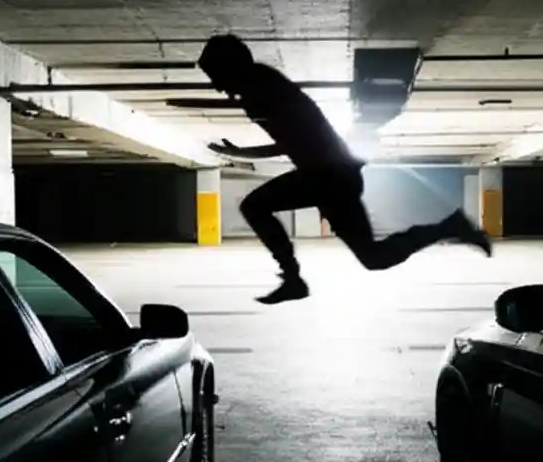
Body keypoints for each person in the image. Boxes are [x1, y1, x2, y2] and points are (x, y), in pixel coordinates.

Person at [197, 34, 492, 304]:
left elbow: (294, 140)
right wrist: (240, 152)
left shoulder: (261, 90)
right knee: (373, 258)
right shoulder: (261, 85)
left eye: (216, 77)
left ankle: (292, 278)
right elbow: (296, 140)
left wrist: (241, 152)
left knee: (255, 206)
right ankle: (450, 226)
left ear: (231, 67)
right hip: (331, 176)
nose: (218, 87)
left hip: (328, 176)